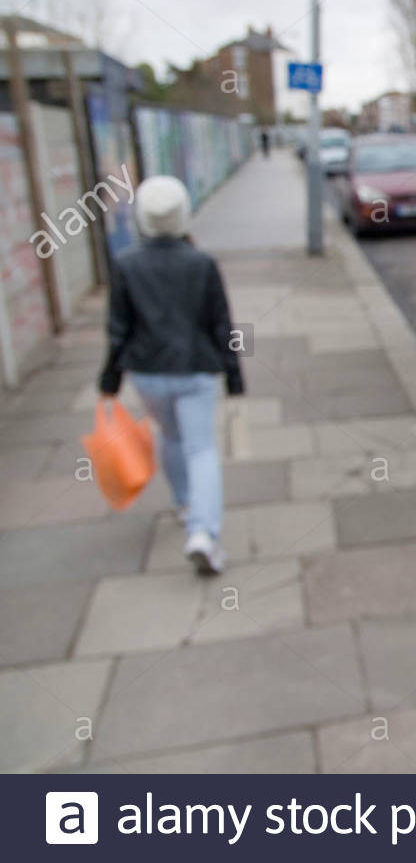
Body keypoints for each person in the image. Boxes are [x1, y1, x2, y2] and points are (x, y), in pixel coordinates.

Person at [98, 176, 244, 575]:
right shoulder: (201, 263)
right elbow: (223, 326)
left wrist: (110, 380)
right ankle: (203, 532)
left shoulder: (126, 264)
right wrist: (234, 376)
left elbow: (118, 329)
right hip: (195, 369)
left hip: (148, 373)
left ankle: (183, 502)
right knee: (201, 449)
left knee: (170, 435)